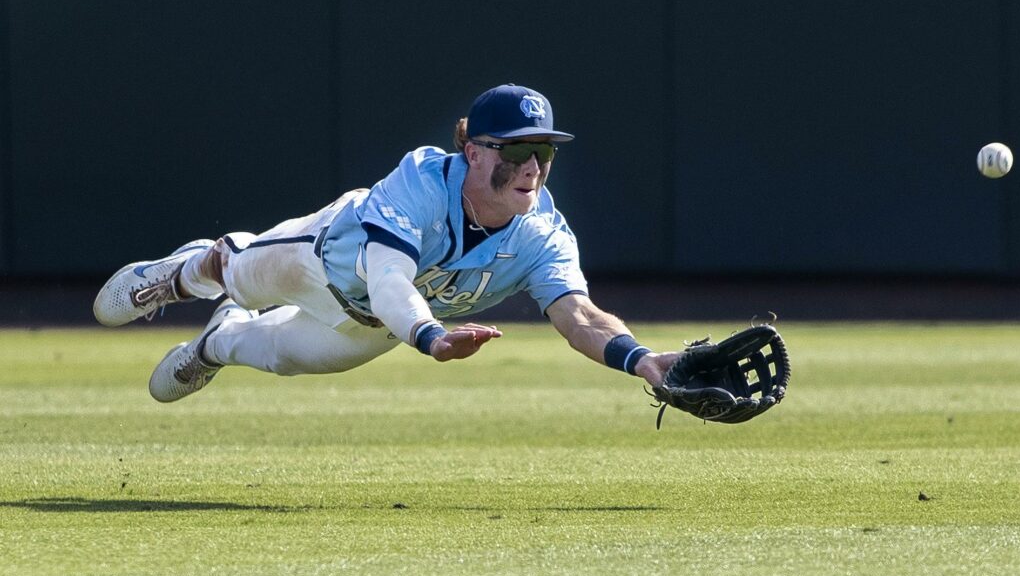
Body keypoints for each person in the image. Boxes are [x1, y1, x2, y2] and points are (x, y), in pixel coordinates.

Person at [93, 84, 681, 402]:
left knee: (275, 357)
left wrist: (643, 359)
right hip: (322, 261)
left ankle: (214, 342)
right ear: (473, 151)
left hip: (376, 325)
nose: (534, 166)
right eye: (518, 150)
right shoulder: (424, 181)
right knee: (239, 271)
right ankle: (178, 276)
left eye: (545, 152)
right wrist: (429, 338)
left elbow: (580, 316)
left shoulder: (543, 235)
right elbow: (390, 279)